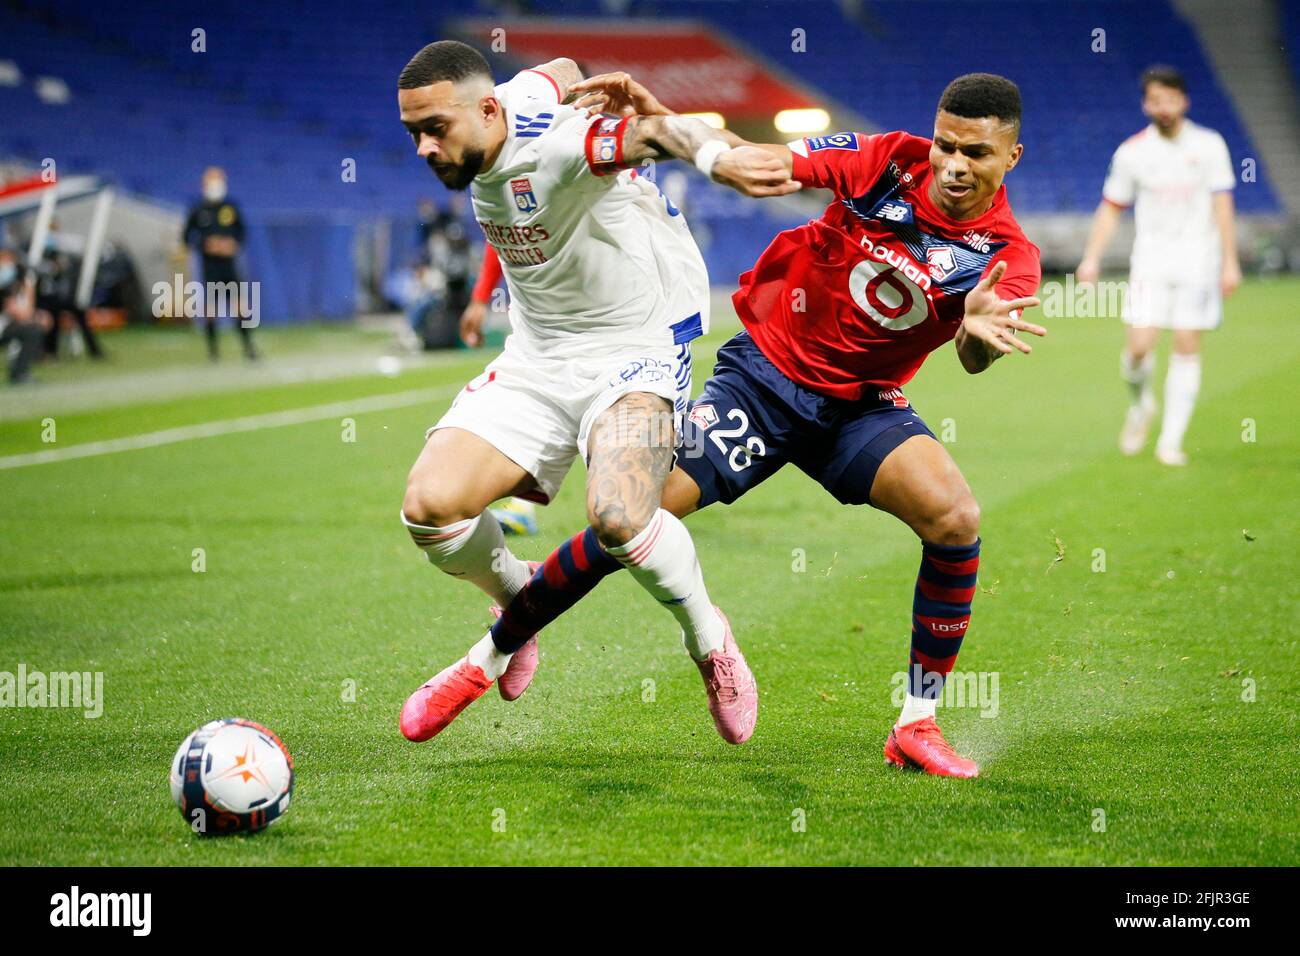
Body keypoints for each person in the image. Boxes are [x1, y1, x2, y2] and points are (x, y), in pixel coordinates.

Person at [460, 70, 1044, 779]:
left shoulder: (1009, 257)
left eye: (976, 154)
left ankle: (916, 724)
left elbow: (976, 359)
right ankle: (499, 643)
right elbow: (764, 165)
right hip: (762, 379)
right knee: (630, 517)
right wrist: (672, 123)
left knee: (955, 516)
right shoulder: (889, 158)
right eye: (947, 143)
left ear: (1010, 156)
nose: (953, 164)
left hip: (856, 406)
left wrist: (977, 329)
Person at [393, 41, 797, 745]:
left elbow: (654, 132)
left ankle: (710, 642)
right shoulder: (517, 99)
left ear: (486, 110)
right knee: (429, 509)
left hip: (634, 350)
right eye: (413, 134)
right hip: (540, 355)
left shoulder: (559, 148)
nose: (425, 148)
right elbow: (560, 72)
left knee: (618, 516)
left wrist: (718, 158)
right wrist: (573, 77)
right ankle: (520, 610)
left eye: (436, 129)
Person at [1077, 65, 1240, 466]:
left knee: (1186, 346)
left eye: (1169, 99)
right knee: (1137, 350)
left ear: (1183, 101)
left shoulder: (1209, 145)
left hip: (1199, 262)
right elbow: (1111, 207)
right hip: (1150, 262)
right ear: (1145, 104)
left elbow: (1222, 203)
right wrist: (1091, 258)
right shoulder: (1133, 152)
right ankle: (1142, 406)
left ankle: (1171, 441)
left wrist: (1230, 261)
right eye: (1154, 99)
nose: (1162, 107)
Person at [183, 167, 256, 361]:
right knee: (210, 309)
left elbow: (242, 232)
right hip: (210, 266)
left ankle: (249, 349)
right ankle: (213, 352)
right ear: (204, 185)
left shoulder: (230, 207)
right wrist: (206, 245)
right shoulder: (198, 209)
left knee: (240, 306)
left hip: (229, 265)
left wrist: (233, 244)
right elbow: (186, 237)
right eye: (212, 181)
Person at [0, 252, 47, 384]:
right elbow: (21, 313)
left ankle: (19, 372)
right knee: (33, 330)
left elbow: (26, 312)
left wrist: (28, 288)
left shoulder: (13, 285)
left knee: (33, 330)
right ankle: (19, 373)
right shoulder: (4, 288)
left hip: (5, 327)